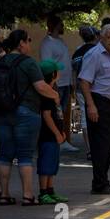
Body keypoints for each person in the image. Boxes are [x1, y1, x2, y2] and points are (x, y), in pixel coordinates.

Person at [0, 28, 59, 206]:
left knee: (4, 154)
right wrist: (55, 96)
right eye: (28, 40)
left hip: (0, 113)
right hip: (25, 112)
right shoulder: (28, 63)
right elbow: (41, 86)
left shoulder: (1, 61)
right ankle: (27, 195)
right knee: (25, 155)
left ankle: (4, 194)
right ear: (21, 43)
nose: (30, 43)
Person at [78, 24, 110, 195]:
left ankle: (102, 180)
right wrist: (91, 106)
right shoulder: (94, 54)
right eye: (109, 37)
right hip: (98, 103)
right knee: (100, 147)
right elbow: (84, 81)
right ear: (101, 38)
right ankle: (99, 183)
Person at [37, 60, 67, 203]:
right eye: (57, 71)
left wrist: (61, 132)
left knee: (53, 164)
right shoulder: (47, 94)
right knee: (46, 164)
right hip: (48, 135)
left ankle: (50, 190)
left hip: (55, 134)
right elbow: (47, 115)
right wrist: (56, 133)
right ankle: (43, 192)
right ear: (53, 74)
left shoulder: (53, 90)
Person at [72, 24, 99, 158]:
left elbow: (74, 73)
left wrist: (74, 88)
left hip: (80, 88)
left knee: (84, 117)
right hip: (96, 88)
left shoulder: (77, 52)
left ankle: (90, 149)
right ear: (95, 36)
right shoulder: (97, 51)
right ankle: (99, 147)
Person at [40, 14, 72, 115]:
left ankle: (61, 130)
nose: (63, 26)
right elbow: (47, 65)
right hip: (57, 85)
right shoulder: (47, 43)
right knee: (56, 113)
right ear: (55, 25)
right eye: (60, 24)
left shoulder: (61, 41)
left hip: (66, 83)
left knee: (63, 113)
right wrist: (53, 85)